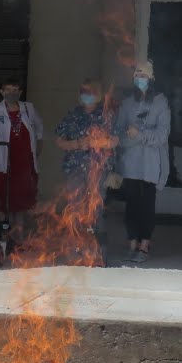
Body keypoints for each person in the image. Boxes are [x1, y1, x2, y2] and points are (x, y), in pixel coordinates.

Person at [114, 60, 171, 264]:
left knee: (146, 205)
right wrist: (127, 137)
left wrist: (140, 134)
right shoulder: (127, 103)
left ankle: (144, 245)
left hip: (150, 164)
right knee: (131, 205)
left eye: (144, 75)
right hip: (130, 164)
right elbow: (118, 132)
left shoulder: (160, 102)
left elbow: (163, 134)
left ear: (152, 78)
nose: (140, 78)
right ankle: (132, 243)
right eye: (137, 74)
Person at [55, 80, 118, 266]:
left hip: (97, 170)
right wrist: (75, 144)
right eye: (84, 92)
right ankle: (75, 254)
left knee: (96, 211)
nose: (87, 95)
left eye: (91, 92)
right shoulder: (73, 114)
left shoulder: (107, 114)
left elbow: (115, 140)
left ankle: (98, 255)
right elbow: (59, 140)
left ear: (98, 95)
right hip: (75, 169)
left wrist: (97, 143)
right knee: (74, 209)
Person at [0, 79, 43, 245]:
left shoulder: (28, 108)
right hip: (5, 164)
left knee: (21, 203)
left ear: (19, 92)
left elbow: (39, 129)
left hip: (25, 164)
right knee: (6, 200)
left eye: (15, 89)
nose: (11, 93)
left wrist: (38, 149)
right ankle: (6, 236)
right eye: (8, 90)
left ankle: (18, 237)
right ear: (2, 92)